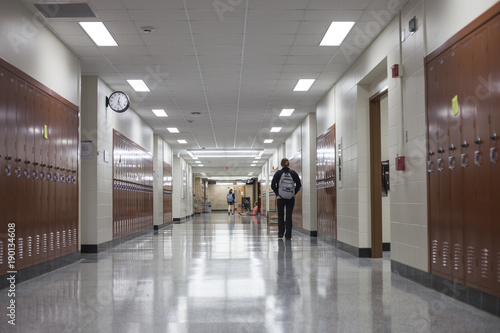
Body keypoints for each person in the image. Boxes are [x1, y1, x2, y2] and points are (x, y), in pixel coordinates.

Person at [271, 158, 301, 240]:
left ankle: (280, 233)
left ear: (281, 165)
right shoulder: (293, 173)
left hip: (280, 198)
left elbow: (273, 185)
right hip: (290, 198)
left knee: (280, 215)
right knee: (289, 216)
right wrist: (293, 193)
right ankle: (288, 235)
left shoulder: (278, 173)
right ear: (288, 164)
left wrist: (278, 193)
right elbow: (299, 184)